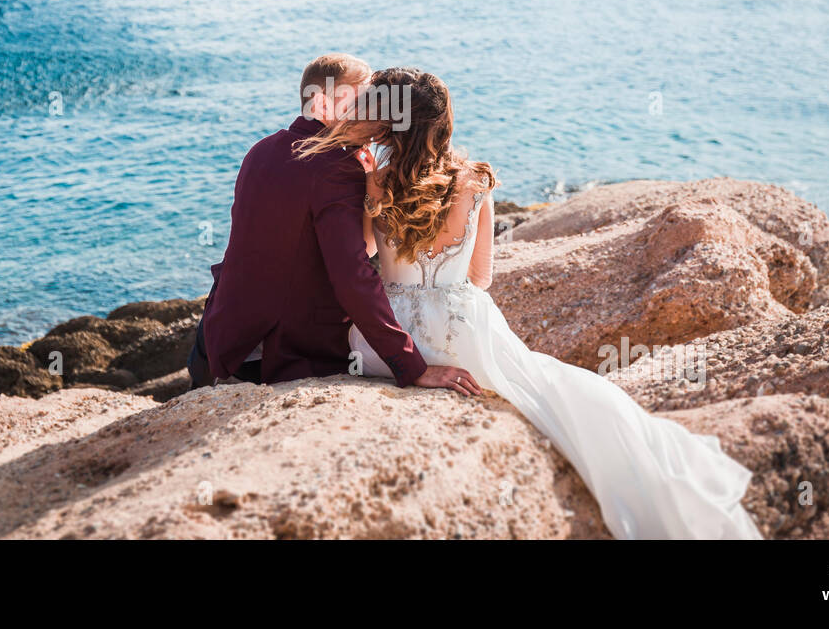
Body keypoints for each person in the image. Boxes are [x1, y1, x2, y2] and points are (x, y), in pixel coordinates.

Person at [297, 66, 763, 540]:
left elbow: (366, 256)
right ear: (443, 121)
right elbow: (481, 278)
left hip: (382, 347)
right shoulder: (474, 182)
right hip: (462, 340)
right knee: (564, 390)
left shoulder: (376, 181)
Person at [187, 54, 481, 397]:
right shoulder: (334, 168)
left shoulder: (262, 150)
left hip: (221, 336)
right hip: (277, 351)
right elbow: (352, 276)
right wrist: (411, 367)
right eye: (364, 99)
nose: (376, 110)